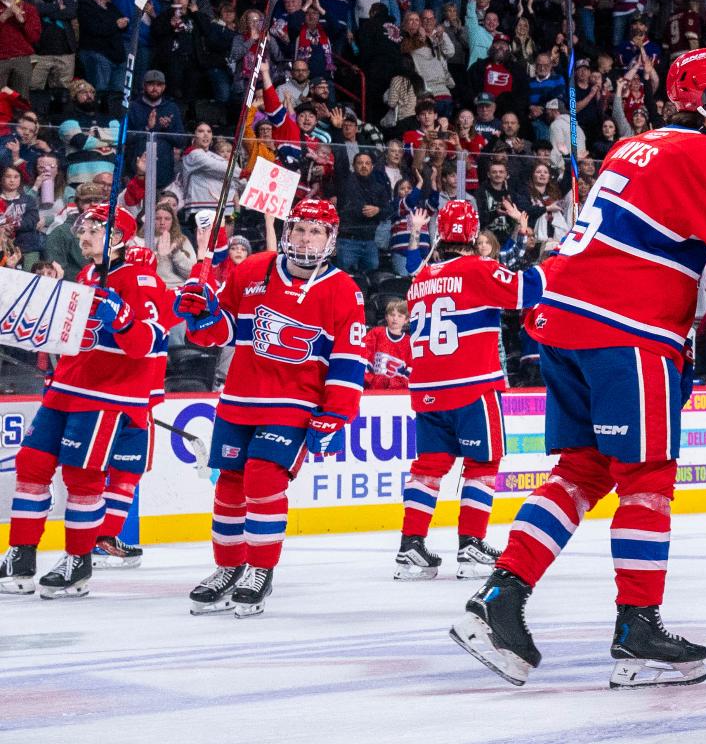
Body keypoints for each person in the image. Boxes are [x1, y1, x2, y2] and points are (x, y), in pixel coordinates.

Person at [454, 47, 706, 689]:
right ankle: (637, 628)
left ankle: (499, 599)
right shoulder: (703, 156)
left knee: (581, 470)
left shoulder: (638, 147)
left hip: (565, 323)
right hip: (627, 328)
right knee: (648, 476)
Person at [171, 199, 369, 617]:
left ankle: (260, 570)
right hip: (239, 399)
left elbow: (349, 361)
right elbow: (221, 331)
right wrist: (200, 314)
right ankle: (229, 567)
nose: (306, 237)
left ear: (330, 239)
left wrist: (336, 414)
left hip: (293, 404)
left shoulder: (344, 289)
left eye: (316, 230)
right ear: (288, 231)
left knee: (261, 482)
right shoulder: (253, 268)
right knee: (228, 485)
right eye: (299, 228)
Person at [1, 206, 173, 597]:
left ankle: (78, 562)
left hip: (105, 396)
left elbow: (145, 344)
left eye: (96, 226)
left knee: (82, 477)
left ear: (119, 236)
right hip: (68, 386)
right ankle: (21, 553)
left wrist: (121, 313)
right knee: (31, 463)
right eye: (84, 225)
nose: (86, 231)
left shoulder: (138, 278)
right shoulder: (88, 274)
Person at [392, 199, 545, 582]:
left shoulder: (422, 277)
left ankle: (411, 546)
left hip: (427, 388)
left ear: (440, 233)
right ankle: (471, 544)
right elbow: (527, 292)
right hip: (472, 385)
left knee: (428, 467)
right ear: (474, 234)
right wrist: (561, 257)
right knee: (482, 465)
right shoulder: (479, 268)